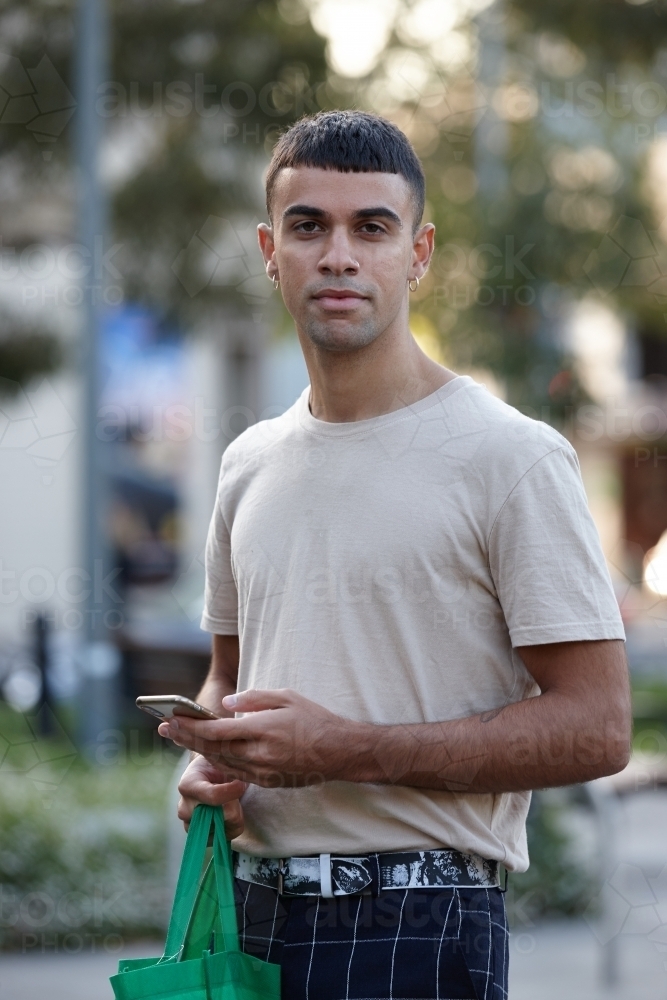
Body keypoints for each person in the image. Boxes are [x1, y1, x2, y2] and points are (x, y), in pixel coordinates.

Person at [158, 110, 631, 999]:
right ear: (270, 249)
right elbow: (230, 679)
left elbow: (597, 727)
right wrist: (214, 758)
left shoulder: (509, 456)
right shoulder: (246, 461)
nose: (338, 254)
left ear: (418, 254)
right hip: (248, 917)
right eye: (309, 227)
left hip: (418, 918)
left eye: (370, 227)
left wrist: (343, 749)